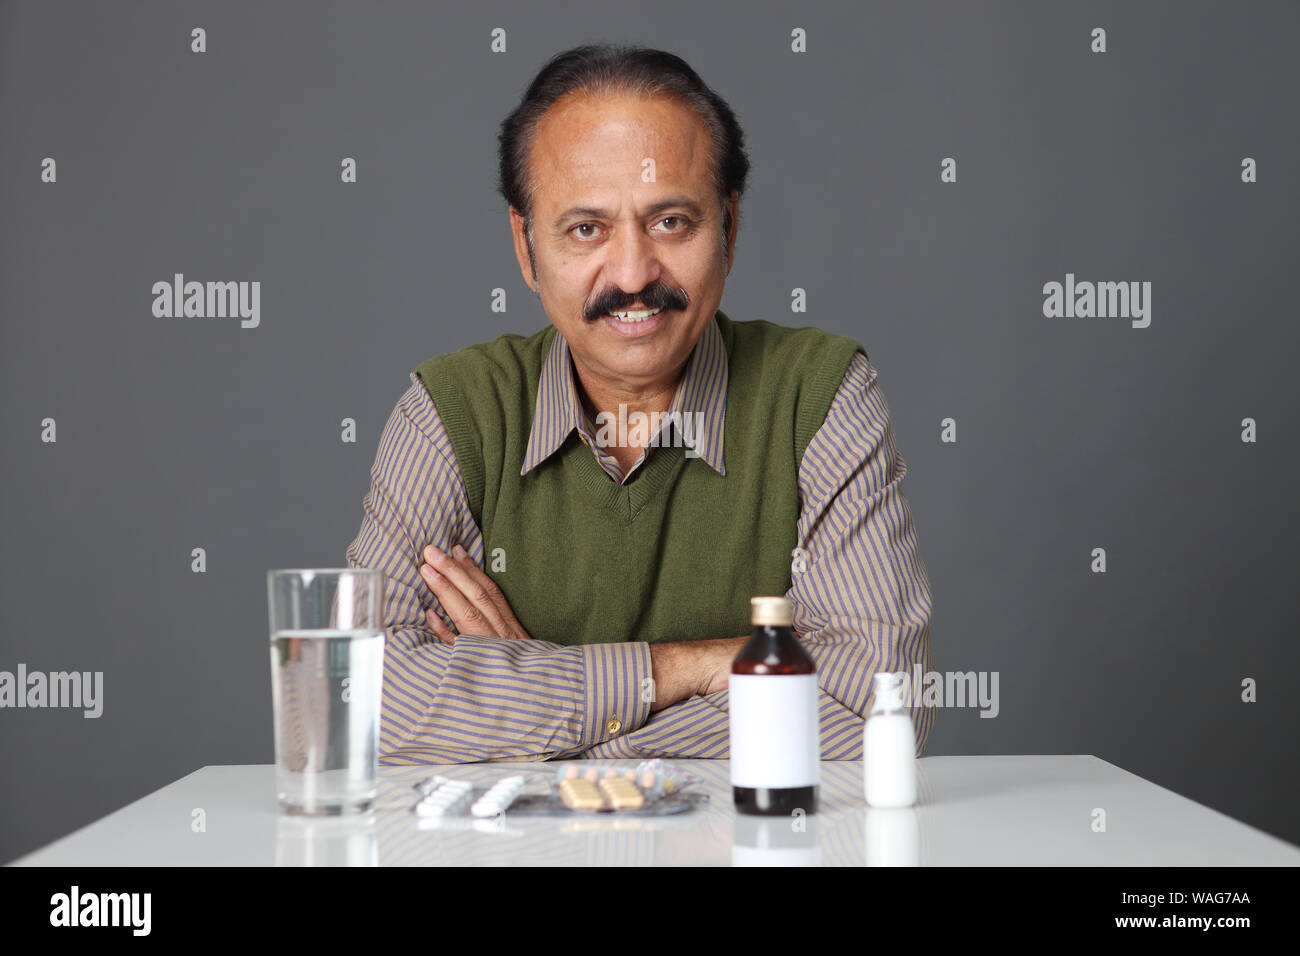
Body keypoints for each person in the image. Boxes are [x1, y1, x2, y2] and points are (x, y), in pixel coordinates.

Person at [345, 43, 934, 763]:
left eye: (671, 223)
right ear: (526, 248)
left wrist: (546, 722)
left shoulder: (820, 395)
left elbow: (871, 711)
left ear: (731, 227)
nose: (631, 274)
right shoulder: (453, 412)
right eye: (586, 228)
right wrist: (681, 669)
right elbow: (359, 704)